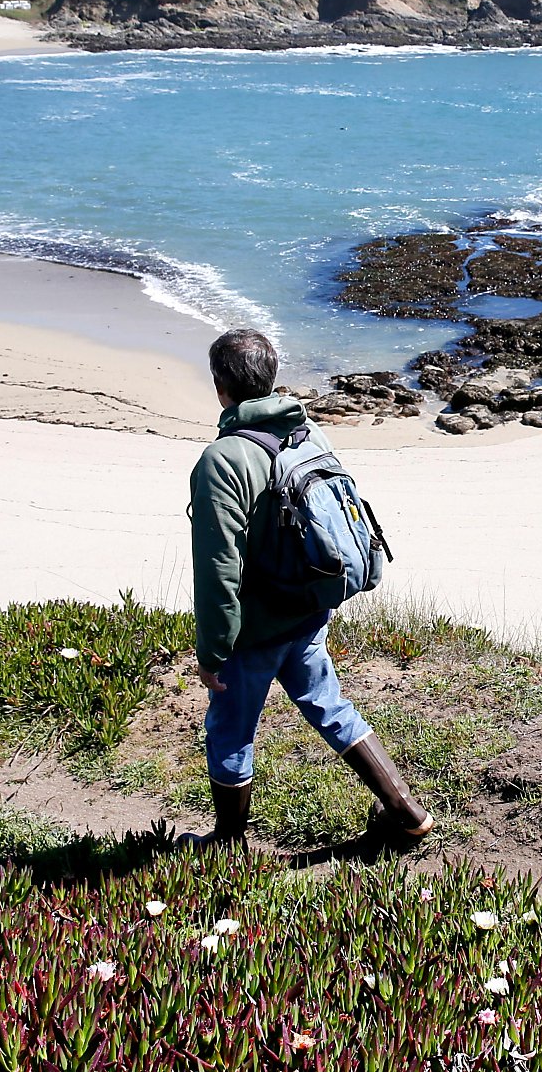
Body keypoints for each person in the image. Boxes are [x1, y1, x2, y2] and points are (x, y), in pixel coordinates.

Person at [178, 328, 431, 854]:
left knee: (230, 729)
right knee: (329, 705)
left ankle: (227, 845)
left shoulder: (225, 459)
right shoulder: (309, 432)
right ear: (270, 379)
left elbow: (219, 567)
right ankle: (406, 812)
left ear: (220, 386)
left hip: (258, 629)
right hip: (309, 607)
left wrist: (213, 652)